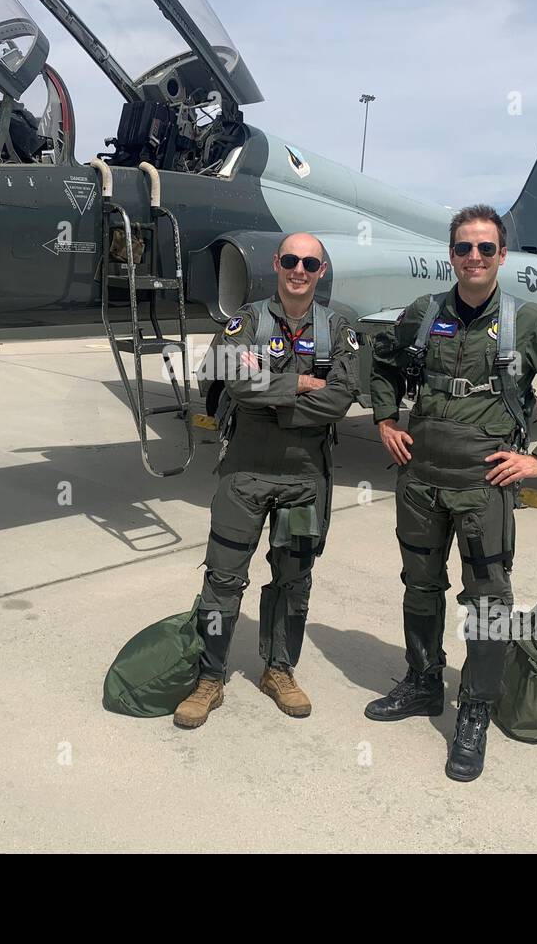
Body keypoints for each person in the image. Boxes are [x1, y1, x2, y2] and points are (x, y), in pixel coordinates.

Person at [367, 204, 537, 780]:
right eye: (464, 248)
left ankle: (474, 709)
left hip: (485, 487)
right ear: (451, 255)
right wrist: (384, 421)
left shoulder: (529, 323)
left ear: (501, 256)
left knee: (489, 604)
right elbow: (382, 366)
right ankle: (424, 682)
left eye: (485, 249)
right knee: (419, 587)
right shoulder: (424, 315)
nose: (474, 258)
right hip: (421, 481)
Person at [174, 232, 361, 729]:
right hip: (245, 472)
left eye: (310, 263)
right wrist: (300, 383)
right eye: (291, 260)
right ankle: (209, 678)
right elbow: (232, 380)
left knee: (293, 581)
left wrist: (270, 394)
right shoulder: (246, 322)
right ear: (277, 264)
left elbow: (341, 398)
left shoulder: (338, 326)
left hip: (304, 478)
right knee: (222, 579)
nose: (299, 270)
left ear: (321, 270)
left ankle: (279, 670)